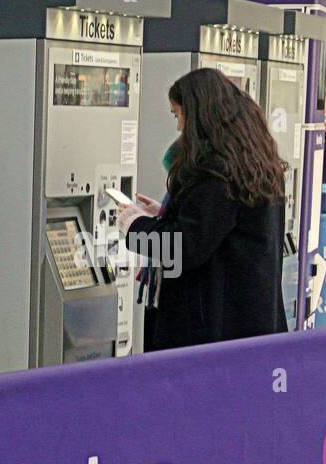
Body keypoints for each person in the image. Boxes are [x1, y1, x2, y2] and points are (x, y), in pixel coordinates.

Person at [118, 67, 286, 351]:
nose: (178, 127)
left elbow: (187, 247)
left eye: (178, 114)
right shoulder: (255, 163)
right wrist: (165, 214)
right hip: (249, 324)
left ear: (199, 115)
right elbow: (215, 228)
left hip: (213, 334)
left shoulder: (217, 171)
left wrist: (133, 226)